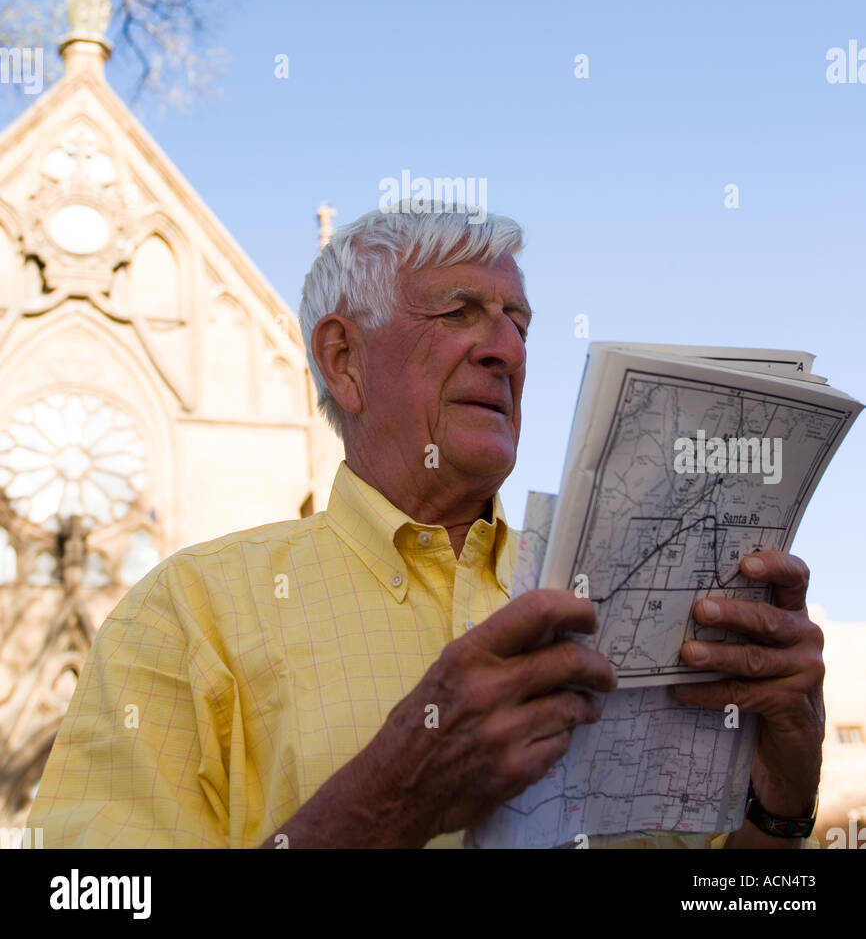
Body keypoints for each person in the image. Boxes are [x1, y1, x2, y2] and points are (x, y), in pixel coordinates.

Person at [29, 204, 823, 848]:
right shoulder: (181, 616)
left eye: (520, 322)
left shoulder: (627, 600)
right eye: (460, 312)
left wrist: (782, 799)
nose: (508, 350)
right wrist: (383, 807)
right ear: (343, 360)